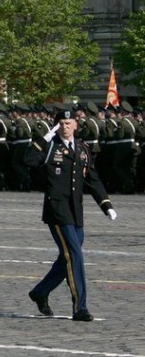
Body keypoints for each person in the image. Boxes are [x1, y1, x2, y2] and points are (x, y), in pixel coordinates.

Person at [26, 108, 117, 322]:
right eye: (61, 124)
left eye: (69, 123)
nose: (65, 127)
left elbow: (92, 180)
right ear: (56, 126)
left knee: (66, 258)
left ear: (76, 125)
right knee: (75, 255)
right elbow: (29, 160)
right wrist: (44, 138)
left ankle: (40, 291)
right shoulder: (50, 147)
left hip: (76, 211)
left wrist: (107, 205)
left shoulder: (82, 149)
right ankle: (80, 307)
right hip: (57, 211)